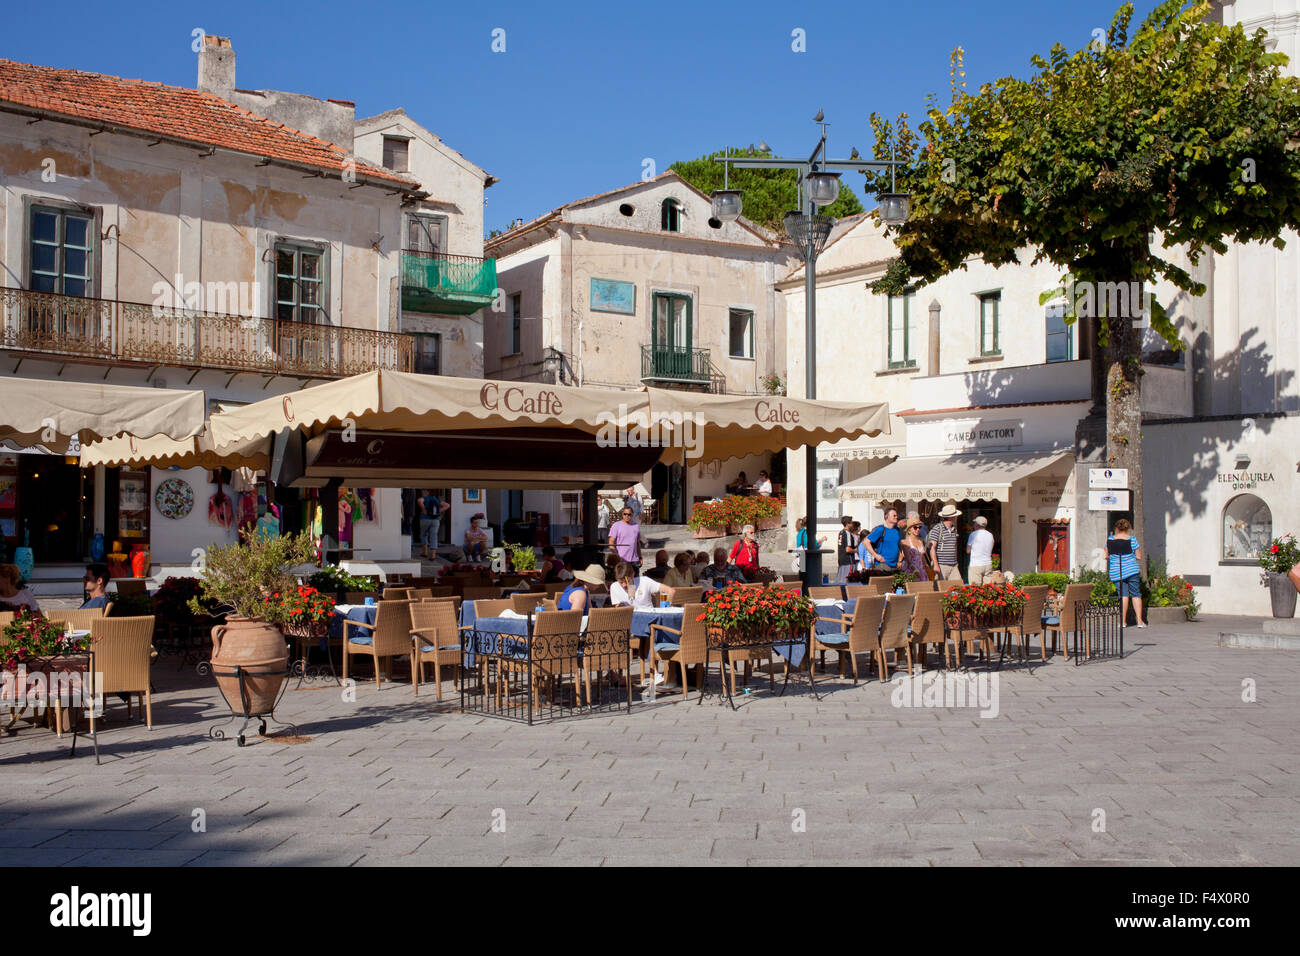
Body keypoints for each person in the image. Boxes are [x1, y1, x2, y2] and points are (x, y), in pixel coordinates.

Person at [1107, 518, 1145, 628]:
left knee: (1123, 595)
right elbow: (1139, 556)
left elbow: (1106, 555)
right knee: (1136, 594)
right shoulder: (1132, 540)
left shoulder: (1110, 540)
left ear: (1116, 528)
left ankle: (1123, 622)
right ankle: (1140, 621)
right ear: (1127, 528)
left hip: (1116, 571)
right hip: (1132, 570)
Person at [607, 504, 645, 577]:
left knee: (635, 583)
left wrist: (640, 557)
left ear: (632, 515)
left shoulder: (636, 526)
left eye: (629, 514)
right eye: (625, 514)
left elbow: (637, 543)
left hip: (634, 561)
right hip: (622, 560)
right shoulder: (616, 525)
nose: (627, 516)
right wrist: (616, 555)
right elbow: (611, 542)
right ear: (622, 514)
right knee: (623, 583)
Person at [927, 504, 962, 581]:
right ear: (951, 517)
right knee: (941, 589)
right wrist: (936, 565)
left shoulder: (954, 529)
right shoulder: (937, 528)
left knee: (958, 588)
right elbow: (932, 548)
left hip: (953, 565)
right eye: (955, 516)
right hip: (941, 565)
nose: (956, 517)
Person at [416, 489, 450, 560]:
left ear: (428, 492)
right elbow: (447, 505)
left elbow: (419, 501)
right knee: (434, 536)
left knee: (424, 534)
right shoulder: (437, 500)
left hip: (425, 519)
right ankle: (433, 555)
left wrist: (424, 509)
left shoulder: (425, 498)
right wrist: (439, 511)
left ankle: (424, 552)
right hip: (435, 520)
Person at [966, 516, 996, 585]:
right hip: (988, 564)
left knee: (975, 590)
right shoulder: (990, 535)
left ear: (977, 524)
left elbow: (968, 551)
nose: (973, 525)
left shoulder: (973, 534)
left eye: (974, 523)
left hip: (976, 564)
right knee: (987, 589)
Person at [836, 515, 857, 584]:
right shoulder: (847, 533)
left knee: (840, 580)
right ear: (848, 524)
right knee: (848, 581)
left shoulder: (841, 532)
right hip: (848, 560)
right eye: (851, 522)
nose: (852, 524)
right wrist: (856, 550)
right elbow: (848, 549)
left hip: (841, 560)